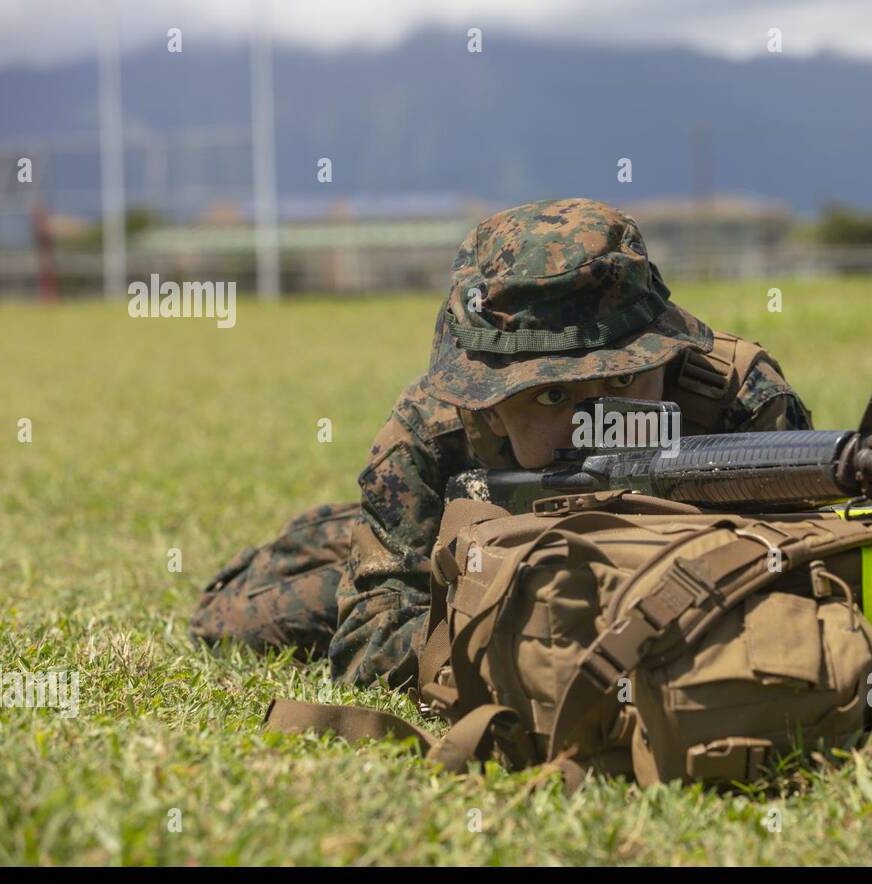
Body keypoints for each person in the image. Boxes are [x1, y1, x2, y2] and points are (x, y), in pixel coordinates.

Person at [190, 197, 814, 691]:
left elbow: (811, 562)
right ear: (487, 399)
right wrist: (530, 622)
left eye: (624, 379)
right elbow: (370, 643)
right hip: (456, 556)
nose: (597, 422)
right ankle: (345, 540)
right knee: (241, 621)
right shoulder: (430, 435)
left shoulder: (735, 401)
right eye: (550, 397)